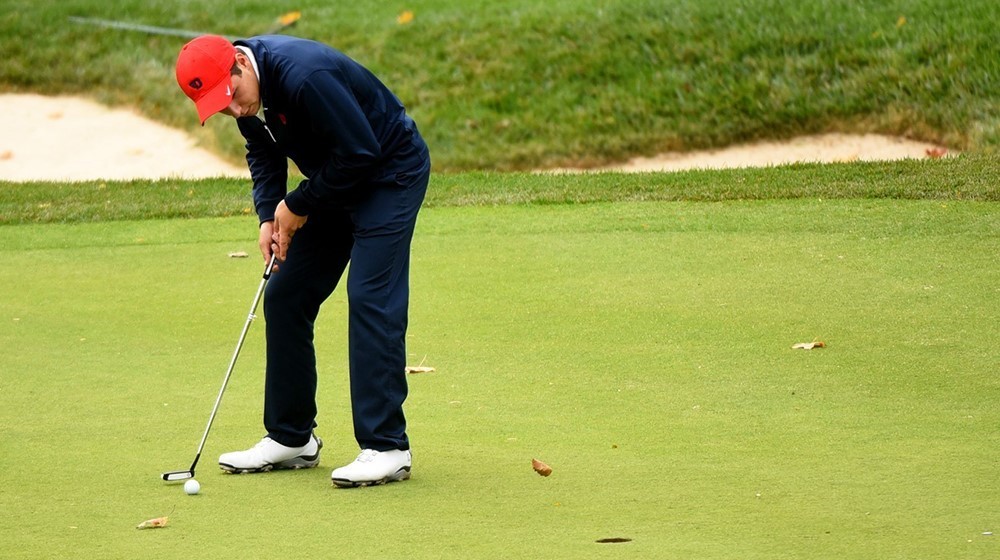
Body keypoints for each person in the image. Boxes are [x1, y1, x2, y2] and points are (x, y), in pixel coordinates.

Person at [174, 34, 430, 487]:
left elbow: (362, 152)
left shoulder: (305, 76)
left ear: (240, 63)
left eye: (231, 97)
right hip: (335, 177)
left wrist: (299, 204)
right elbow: (263, 151)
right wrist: (268, 215)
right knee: (287, 293)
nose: (233, 111)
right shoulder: (248, 97)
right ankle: (293, 438)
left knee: (371, 295)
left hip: (389, 173)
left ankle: (388, 446)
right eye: (220, 108)